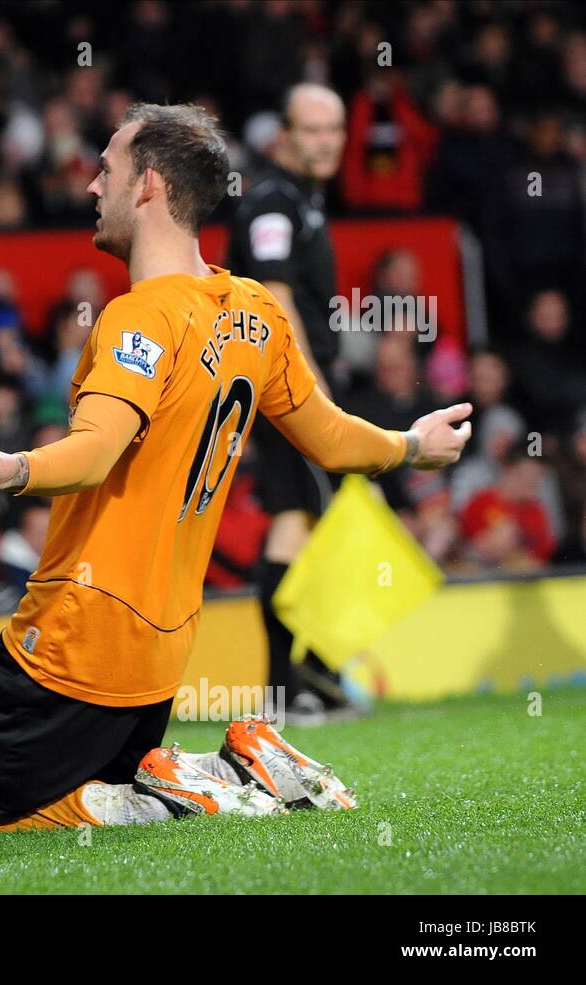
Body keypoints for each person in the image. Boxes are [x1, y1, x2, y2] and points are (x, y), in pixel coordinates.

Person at [0, 103, 471, 836]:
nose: (92, 186)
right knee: (68, 788)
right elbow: (331, 439)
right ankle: (212, 772)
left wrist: (7, 470)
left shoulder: (140, 318)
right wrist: (412, 444)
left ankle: (176, 790)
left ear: (149, 186)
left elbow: (95, 450)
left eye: (107, 168)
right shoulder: (253, 312)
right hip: (164, 647)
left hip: (78, 630)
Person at [226, 83, 351, 722]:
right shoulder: (274, 201)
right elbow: (276, 298)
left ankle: (303, 683)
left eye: (336, 129)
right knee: (296, 523)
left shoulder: (302, 200)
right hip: (288, 389)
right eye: (313, 129)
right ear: (285, 135)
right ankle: (290, 688)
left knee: (301, 524)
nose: (326, 141)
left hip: (287, 386)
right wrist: (314, 398)